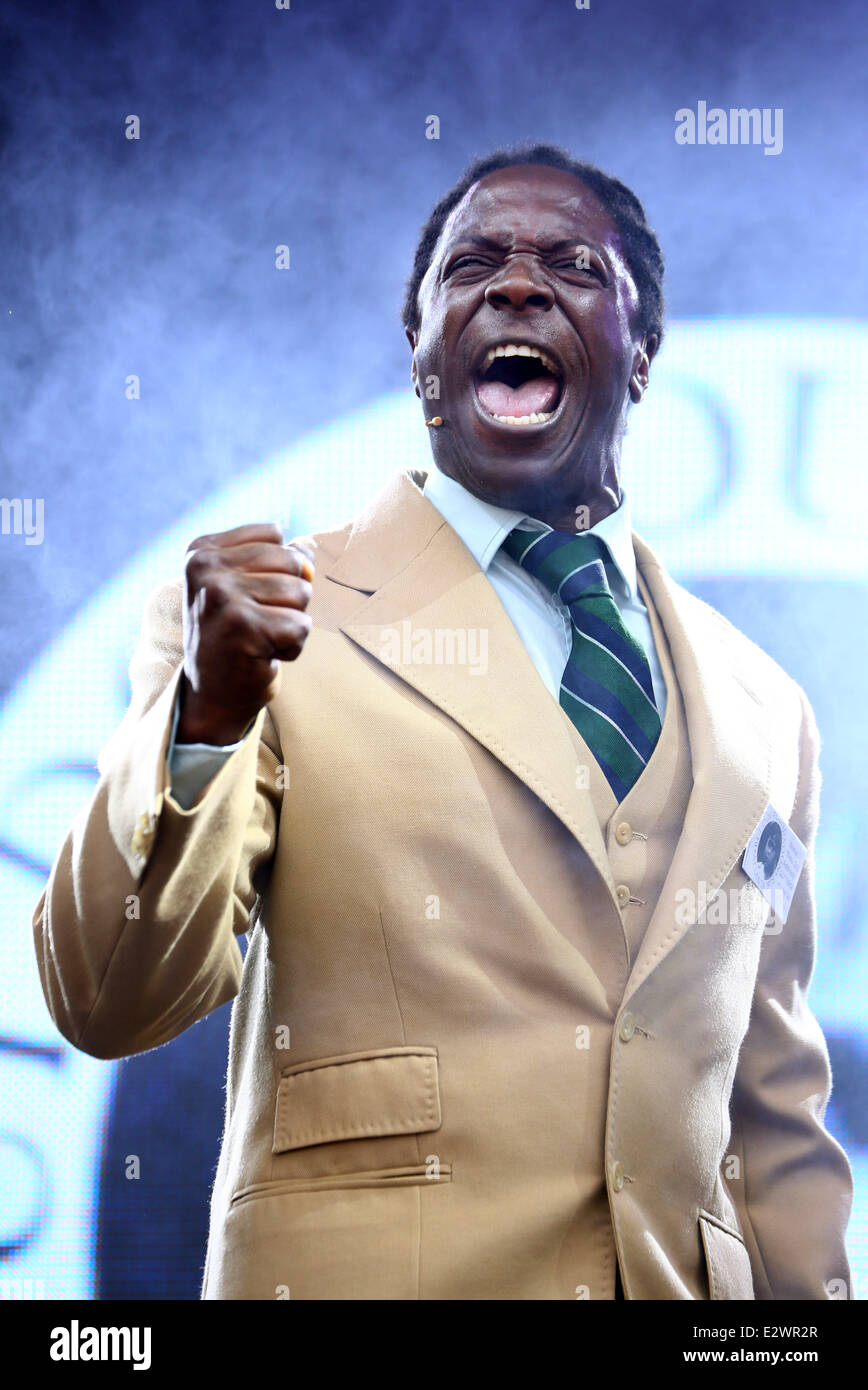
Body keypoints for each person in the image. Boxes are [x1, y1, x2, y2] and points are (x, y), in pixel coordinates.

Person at [33, 143, 853, 1300]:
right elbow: (108, 996)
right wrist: (208, 714)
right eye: (471, 265)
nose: (515, 286)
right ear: (418, 355)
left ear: (645, 354)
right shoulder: (258, 623)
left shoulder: (768, 705)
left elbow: (771, 1110)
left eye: (570, 265)